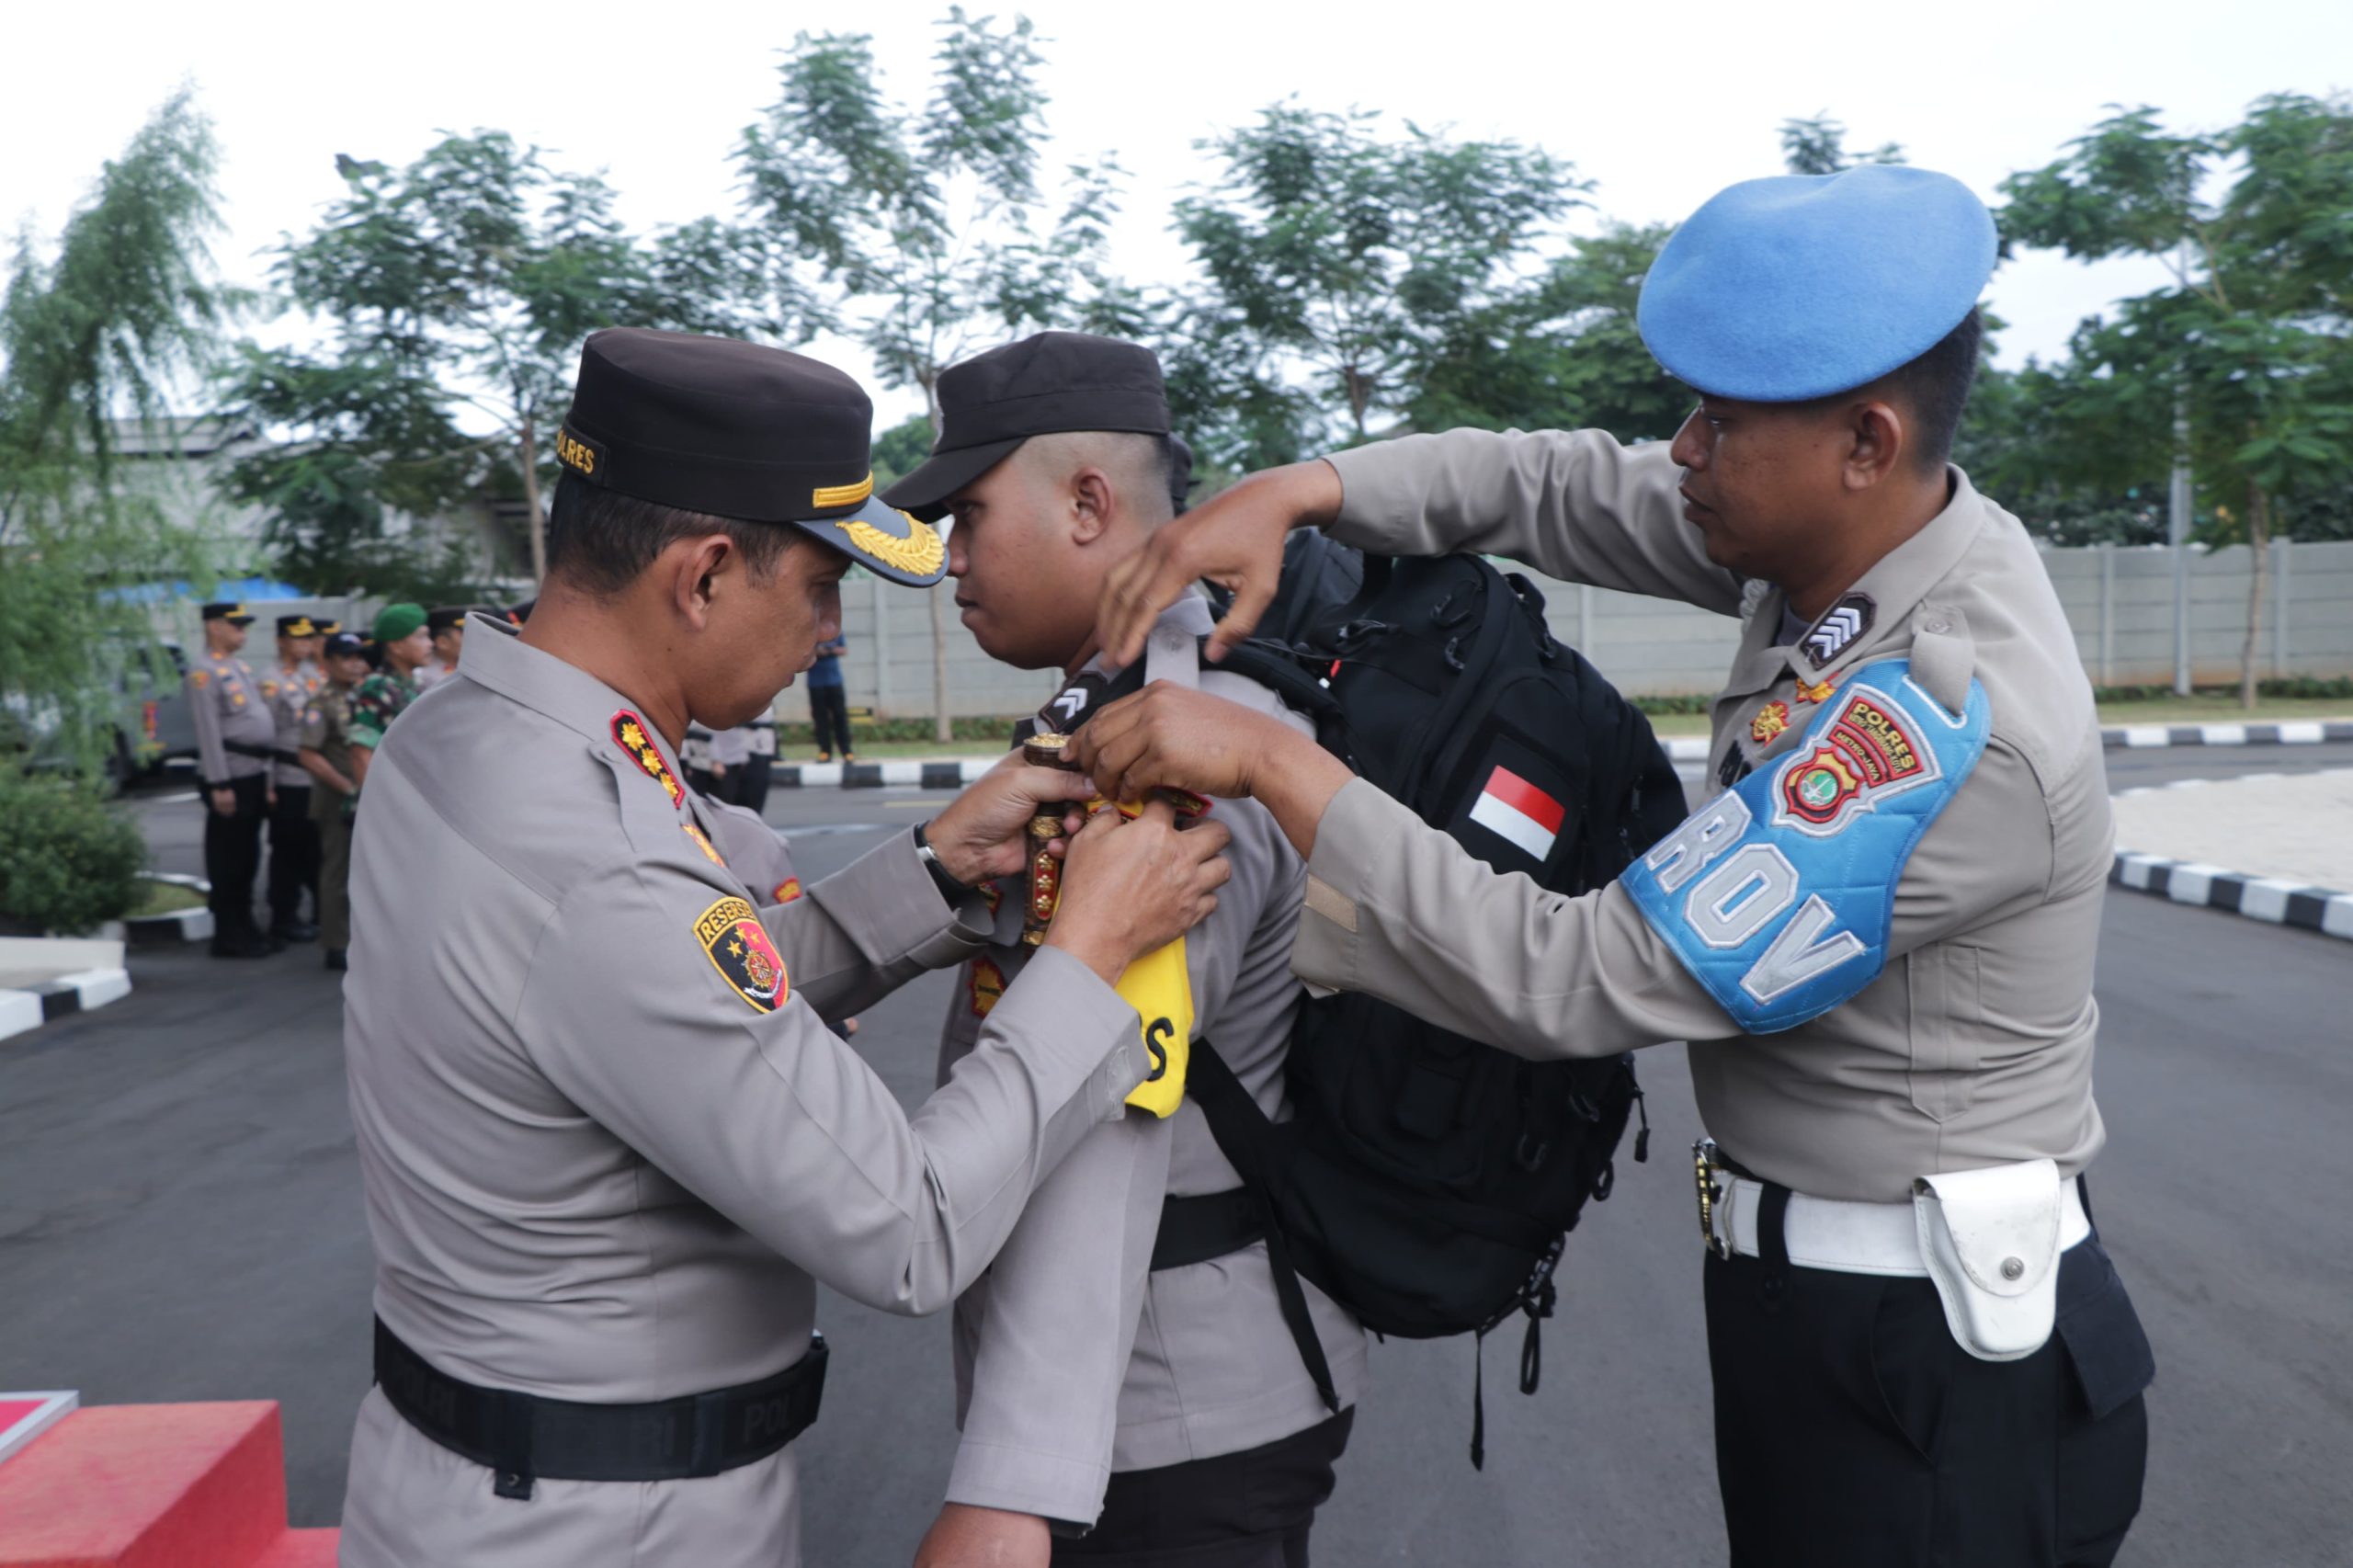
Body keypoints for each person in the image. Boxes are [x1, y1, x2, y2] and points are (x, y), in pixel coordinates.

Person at [1084, 166, 2153, 1568]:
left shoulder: (1953, 725)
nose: (1684, 448)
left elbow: (1582, 972)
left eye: (1720, 420)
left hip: (1933, 1372)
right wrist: (1308, 488)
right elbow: (1560, 484)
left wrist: (1275, 766)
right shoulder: (1849, 544)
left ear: (1864, 439)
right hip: (1822, 1316)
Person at [337, 326, 1233, 1568]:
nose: (827, 633)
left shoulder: (462, 736)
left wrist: (926, 871)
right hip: (609, 1525)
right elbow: (906, 1225)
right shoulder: (597, 850)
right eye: (819, 588)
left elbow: (650, 1008)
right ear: (704, 574)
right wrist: (1088, 955)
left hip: (486, 1478)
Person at [881, 330, 1366, 1568]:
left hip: (1162, 1418)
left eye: (970, 517)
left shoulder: (1188, 740)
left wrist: (1013, 1486)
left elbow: (1108, 1105)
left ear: (1088, 502)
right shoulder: (1124, 704)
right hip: (1148, 1392)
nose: (952, 562)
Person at [184, 600, 276, 958]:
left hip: (252, 774)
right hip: (230, 778)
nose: (243, 632)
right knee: (229, 858)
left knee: (248, 854)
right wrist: (219, 783)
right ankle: (229, 934)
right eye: (236, 625)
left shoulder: (237, 666)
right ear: (214, 627)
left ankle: (246, 927)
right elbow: (208, 734)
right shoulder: (203, 672)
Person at [296, 630, 371, 972]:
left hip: (366, 796)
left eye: (358, 657)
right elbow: (309, 754)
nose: (355, 665)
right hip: (336, 798)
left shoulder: (365, 695)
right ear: (327, 662)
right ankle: (336, 943)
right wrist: (345, 786)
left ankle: (360, 938)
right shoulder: (320, 702)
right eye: (346, 658)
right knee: (337, 870)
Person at [262, 613, 324, 945]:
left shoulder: (312, 676)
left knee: (313, 850)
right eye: (297, 638)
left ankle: (316, 912)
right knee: (287, 852)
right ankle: (283, 918)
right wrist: (269, 783)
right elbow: (267, 736)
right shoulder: (271, 681)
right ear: (281, 641)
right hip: (287, 776)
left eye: (308, 638)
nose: (304, 644)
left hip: (314, 777)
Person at [347, 603, 429, 792]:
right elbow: (361, 754)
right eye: (421, 636)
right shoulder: (376, 687)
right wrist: (379, 804)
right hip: (388, 797)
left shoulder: (416, 684)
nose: (430, 643)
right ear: (396, 646)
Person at [806, 627, 853, 762]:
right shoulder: (809, 632)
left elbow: (843, 650)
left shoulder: (835, 630)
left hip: (834, 680)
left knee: (840, 716)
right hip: (815, 682)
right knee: (820, 718)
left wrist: (829, 651)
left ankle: (846, 750)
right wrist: (817, 652)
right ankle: (825, 751)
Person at [415, 605, 468, 690]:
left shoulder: (465, 669)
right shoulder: (424, 676)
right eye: (463, 634)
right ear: (443, 643)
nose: (471, 639)